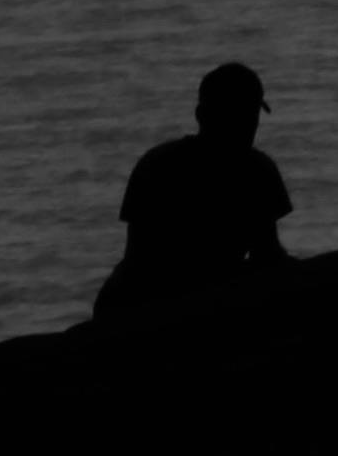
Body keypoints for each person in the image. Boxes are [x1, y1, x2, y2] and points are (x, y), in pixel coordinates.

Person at [93, 62, 293, 322]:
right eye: (237, 115)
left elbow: (265, 254)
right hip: (151, 305)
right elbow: (145, 263)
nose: (247, 126)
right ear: (203, 116)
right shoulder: (258, 171)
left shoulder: (157, 163)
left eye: (248, 115)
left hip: (137, 301)